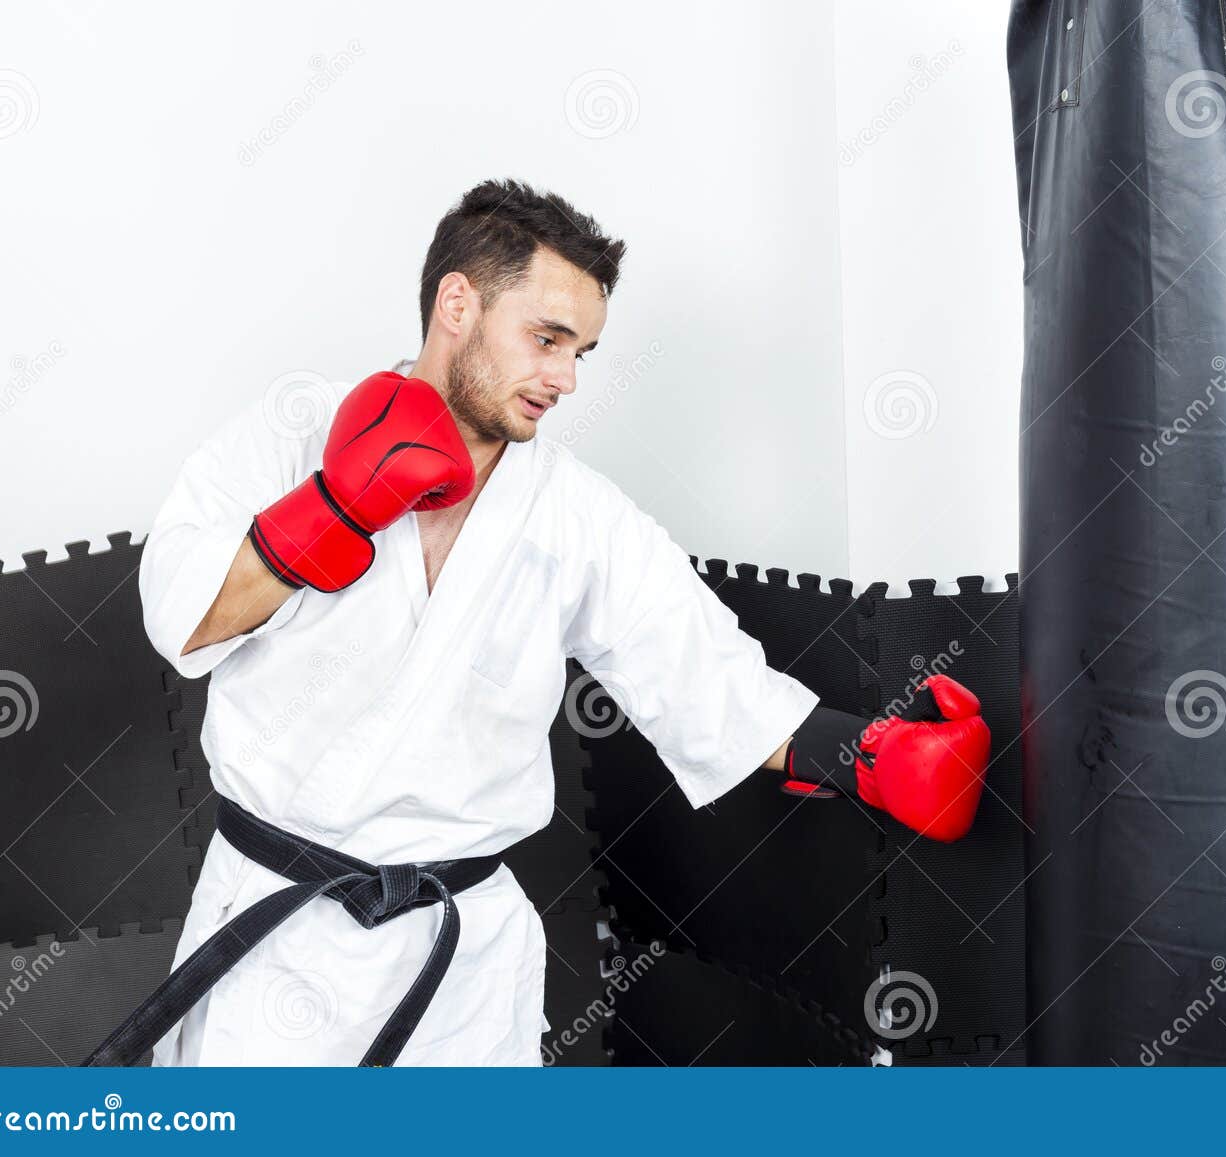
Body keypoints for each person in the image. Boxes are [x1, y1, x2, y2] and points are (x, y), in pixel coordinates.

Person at [90, 179, 990, 1067]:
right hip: (276, 940)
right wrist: (332, 508)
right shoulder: (289, 435)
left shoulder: (574, 513)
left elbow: (699, 671)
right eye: (547, 338)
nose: (564, 378)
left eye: (582, 353)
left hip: (461, 973)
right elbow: (185, 620)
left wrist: (866, 755)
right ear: (457, 303)